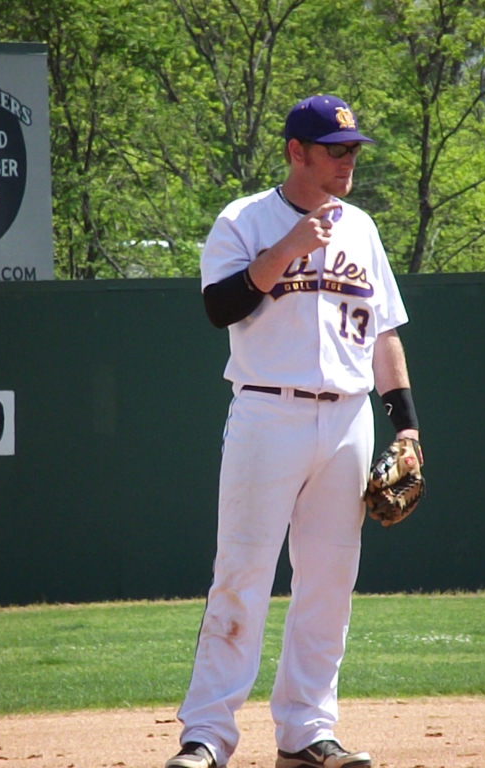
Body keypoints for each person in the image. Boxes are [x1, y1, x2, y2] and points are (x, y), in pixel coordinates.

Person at [166, 94, 421, 768]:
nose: (347, 162)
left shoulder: (362, 228)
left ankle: (308, 731)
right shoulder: (244, 220)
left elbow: (384, 332)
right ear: (295, 152)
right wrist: (288, 247)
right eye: (334, 151)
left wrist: (407, 428)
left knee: (329, 580)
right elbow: (220, 306)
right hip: (266, 410)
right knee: (242, 574)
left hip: (348, 416)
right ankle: (207, 736)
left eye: (352, 151)